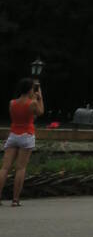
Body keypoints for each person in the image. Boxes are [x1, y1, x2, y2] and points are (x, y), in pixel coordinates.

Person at [0, 77, 44, 205]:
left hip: (13, 134)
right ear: (30, 89)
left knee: (4, 168)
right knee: (20, 168)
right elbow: (40, 112)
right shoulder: (32, 103)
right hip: (26, 134)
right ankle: (15, 200)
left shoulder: (12, 103)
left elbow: (17, 117)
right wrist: (39, 97)